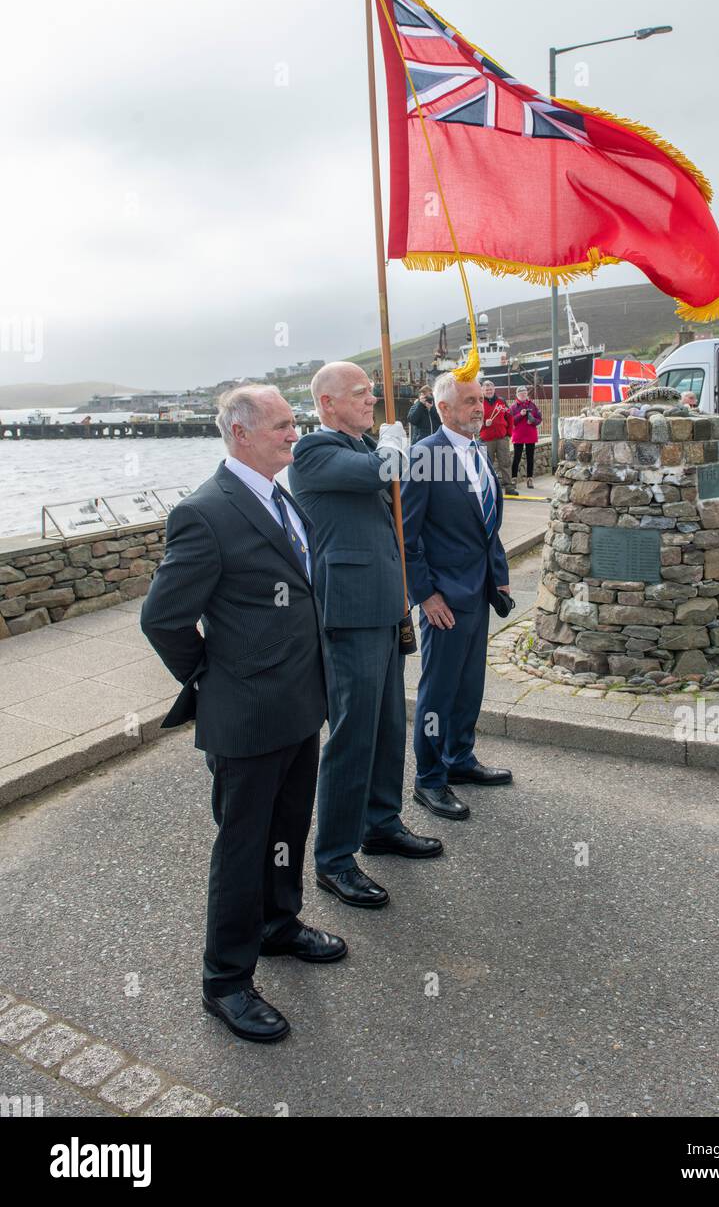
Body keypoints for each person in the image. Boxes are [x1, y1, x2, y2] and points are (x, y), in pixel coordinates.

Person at [140, 385, 344, 1045]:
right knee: (242, 846)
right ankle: (225, 981)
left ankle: (278, 926)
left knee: (289, 824)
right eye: (284, 425)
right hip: (247, 716)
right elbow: (163, 618)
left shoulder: (279, 493)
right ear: (240, 434)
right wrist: (214, 677)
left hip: (299, 703)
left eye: (296, 423)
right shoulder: (206, 513)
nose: (296, 434)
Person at [289, 362, 442, 911]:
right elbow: (382, 474)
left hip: (384, 605)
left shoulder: (366, 446)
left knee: (387, 724)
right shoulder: (313, 451)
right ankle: (333, 858)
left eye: (371, 391)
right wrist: (394, 448)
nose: (372, 398)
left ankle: (381, 822)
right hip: (349, 610)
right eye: (359, 393)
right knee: (353, 733)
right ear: (326, 403)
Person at [401, 373, 514, 822]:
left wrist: (499, 577)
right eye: (468, 401)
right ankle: (429, 779)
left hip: (478, 590)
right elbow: (406, 535)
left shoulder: (478, 451)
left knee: (470, 685)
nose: (478, 407)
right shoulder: (424, 456)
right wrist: (425, 595)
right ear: (443, 409)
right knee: (439, 689)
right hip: (444, 598)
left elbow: (488, 527)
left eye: (479, 400)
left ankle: (460, 759)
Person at [479, 379, 517, 493]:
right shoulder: (479, 403)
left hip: (502, 438)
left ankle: (508, 486)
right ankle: (488, 487)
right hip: (486, 438)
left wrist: (508, 434)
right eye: (486, 389)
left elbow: (509, 417)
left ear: (494, 389)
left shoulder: (501, 402)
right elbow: (474, 421)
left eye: (490, 389)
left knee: (505, 462)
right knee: (487, 464)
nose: (489, 391)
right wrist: (484, 424)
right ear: (482, 390)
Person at [509, 386, 542, 487]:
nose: (523, 395)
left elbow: (539, 419)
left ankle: (529, 479)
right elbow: (510, 421)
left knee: (530, 458)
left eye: (524, 393)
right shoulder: (513, 407)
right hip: (518, 435)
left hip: (530, 435)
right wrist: (520, 414)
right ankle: (513, 478)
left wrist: (532, 421)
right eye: (520, 393)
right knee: (517, 457)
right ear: (517, 395)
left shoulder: (532, 405)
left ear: (527, 394)